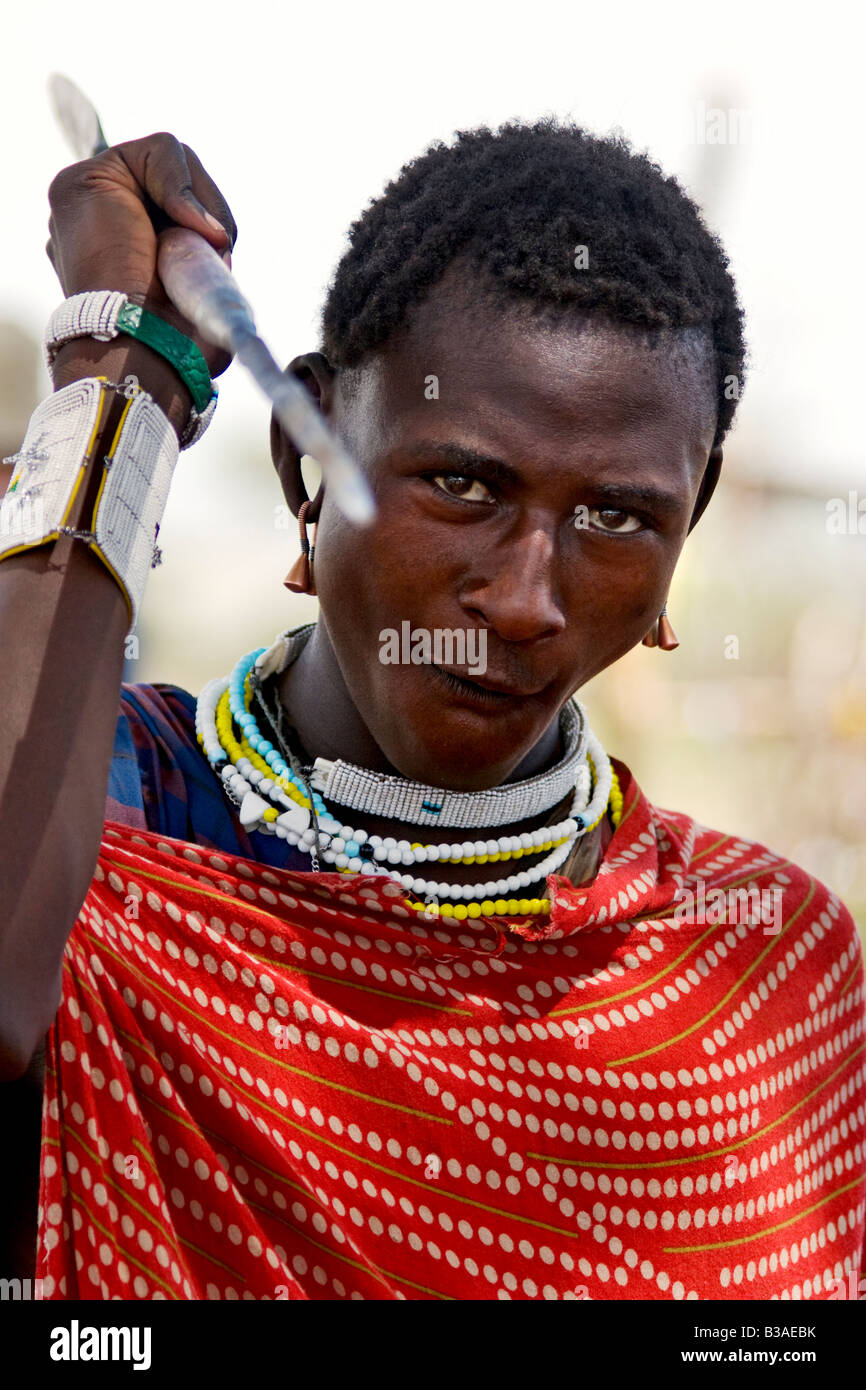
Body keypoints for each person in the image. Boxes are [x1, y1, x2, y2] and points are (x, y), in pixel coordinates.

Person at [1, 119, 863, 1302]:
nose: (521, 601)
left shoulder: (762, 963)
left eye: (617, 518)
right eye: (459, 485)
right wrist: (119, 379)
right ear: (307, 464)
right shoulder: (101, 819)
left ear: (690, 522)